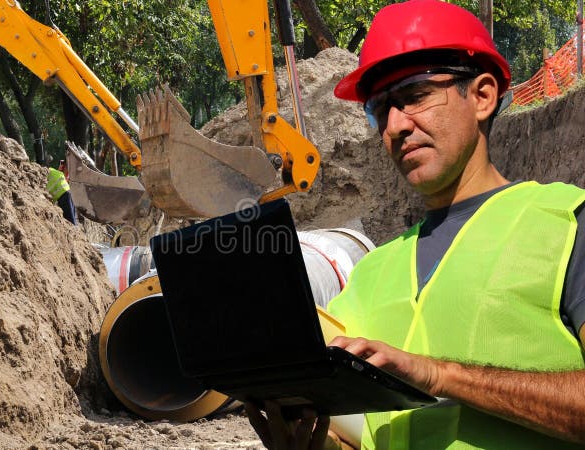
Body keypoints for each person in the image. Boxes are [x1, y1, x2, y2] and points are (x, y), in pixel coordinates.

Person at [244, 1, 585, 449]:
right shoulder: (372, 273)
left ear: (482, 96)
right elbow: (361, 435)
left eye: (416, 95)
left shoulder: (564, 224)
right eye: (381, 109)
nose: (395, 126)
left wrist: (437, 374)